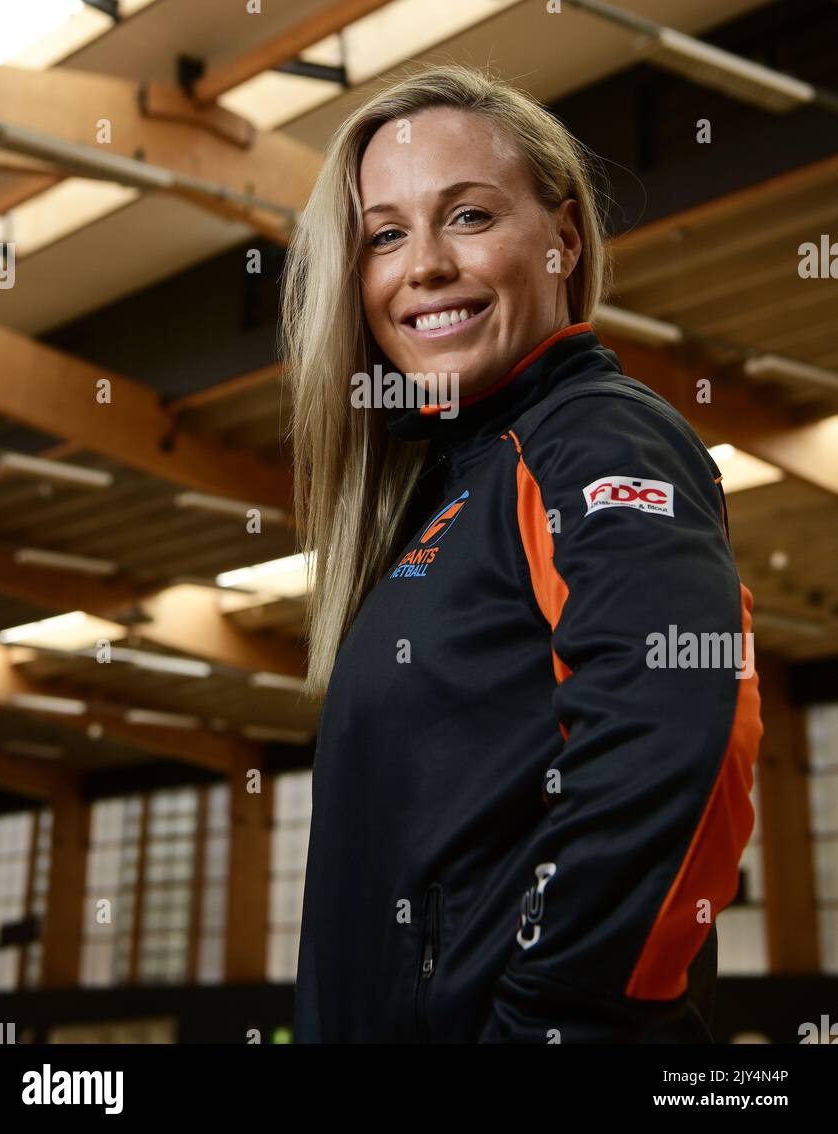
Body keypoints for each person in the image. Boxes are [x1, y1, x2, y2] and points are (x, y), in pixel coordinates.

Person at [281, 63, 763, 1044]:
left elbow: (681, 730)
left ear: (562, 239)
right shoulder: (444, 490)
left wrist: (551, 1021)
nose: (421, 266)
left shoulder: (593, 439)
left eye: (465, 216)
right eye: (384, 233)